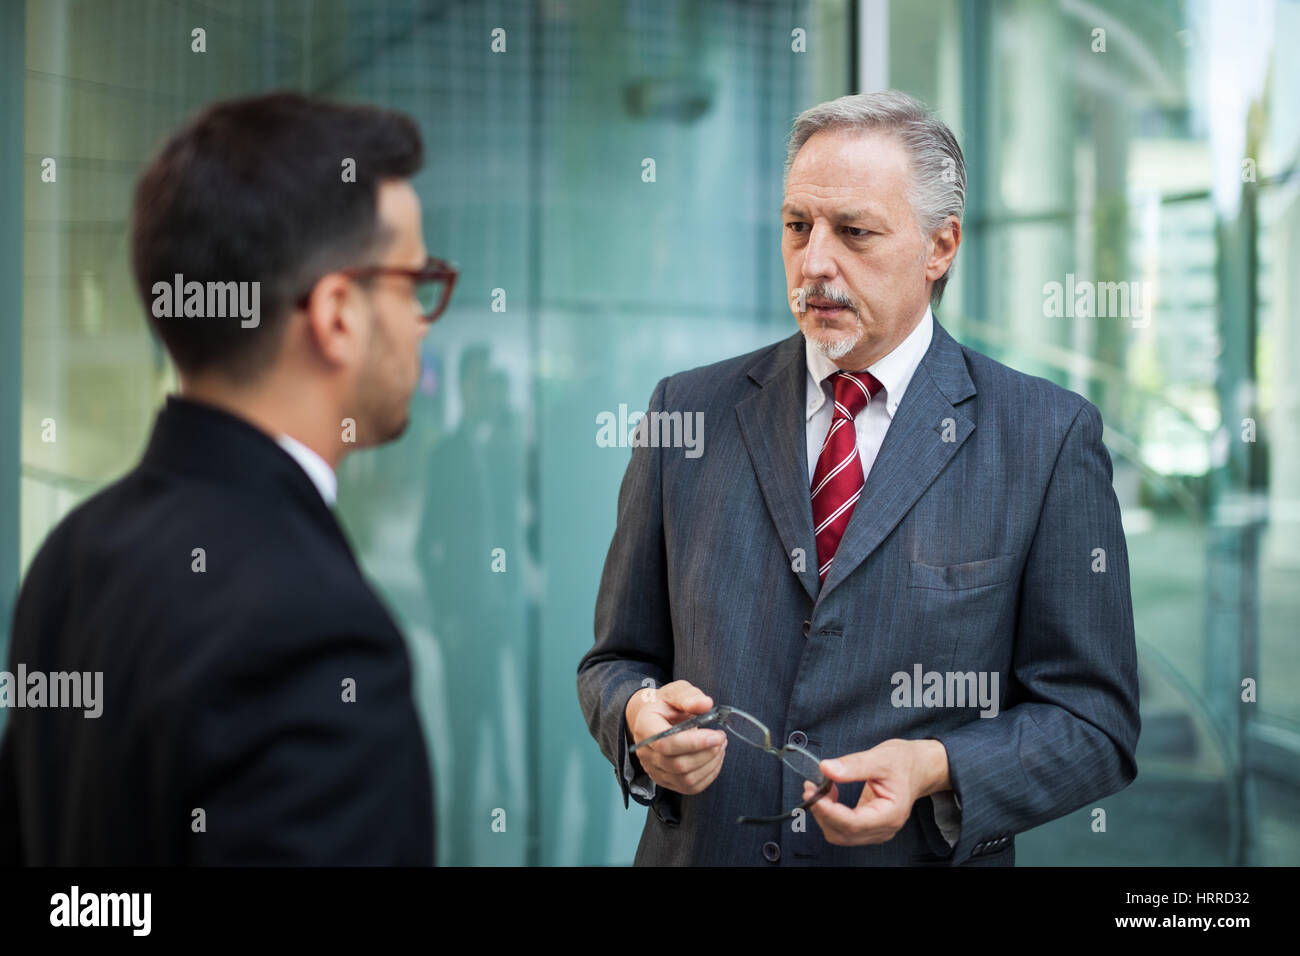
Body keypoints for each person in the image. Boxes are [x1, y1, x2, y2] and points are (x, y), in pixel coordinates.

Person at [577, 90, 1140, 866]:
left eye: (854, 232)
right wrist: (638, 716)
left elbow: (1094, 723)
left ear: (940, 246)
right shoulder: (687, 414)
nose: (815, 263)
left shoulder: (1046, 438)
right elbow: (615, 659)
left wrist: (938, 767)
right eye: (797, 226)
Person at [0, 91, 455, 864]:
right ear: (337, 313)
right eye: (414, 282)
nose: (422, 317)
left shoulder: (72, 553)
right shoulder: (316, 632)